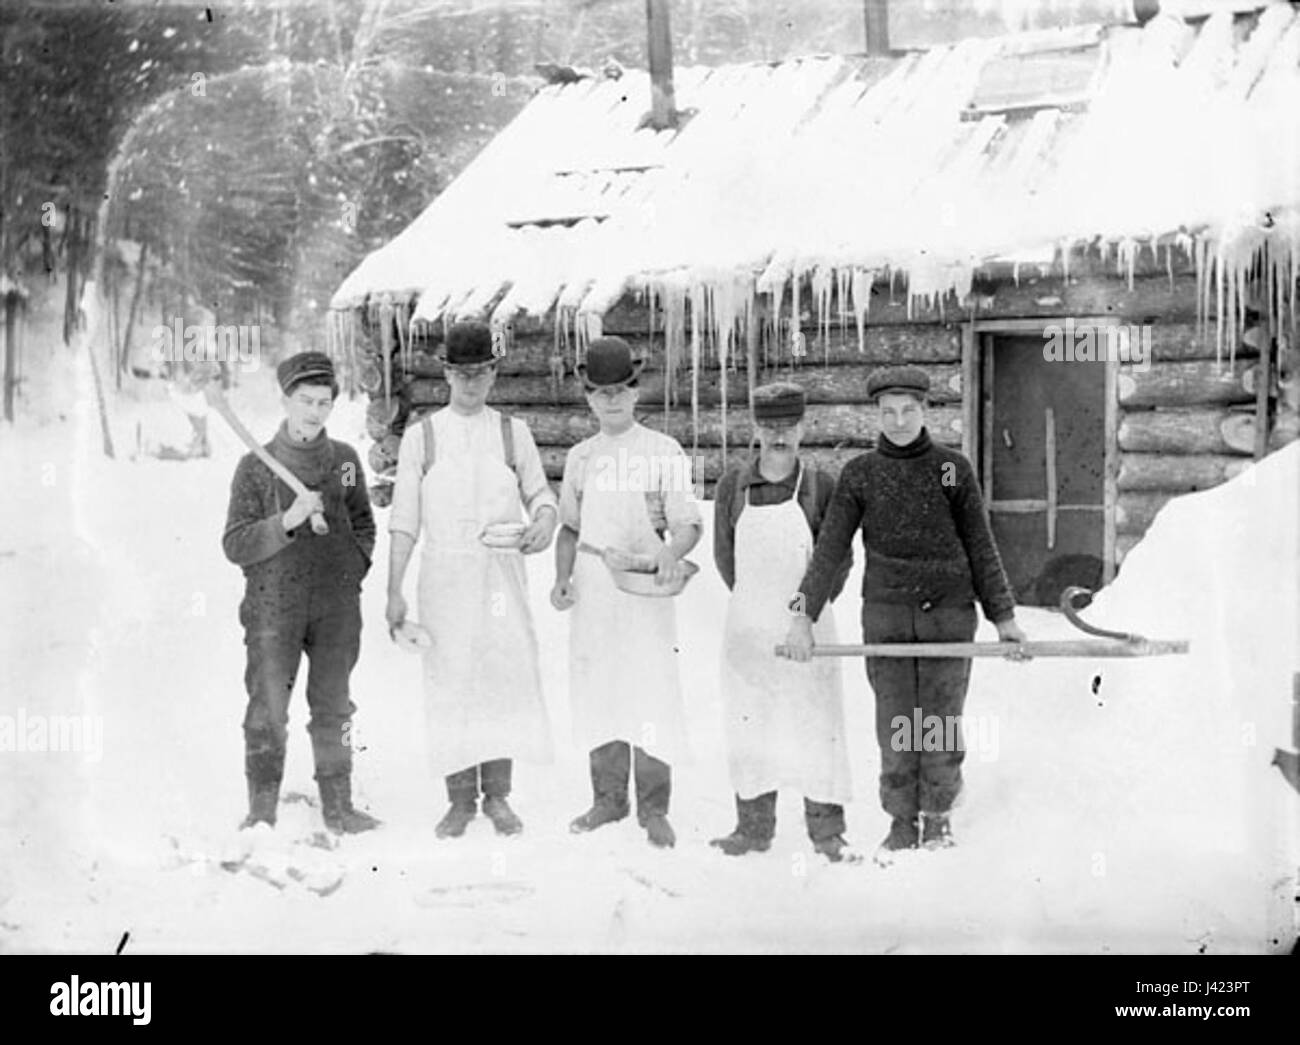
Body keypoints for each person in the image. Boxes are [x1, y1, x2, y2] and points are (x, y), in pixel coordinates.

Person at [783, 365, 1027, 857]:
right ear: (876, 414)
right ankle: (900, 819)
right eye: (888, 412)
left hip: (949, 613)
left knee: (938, 719)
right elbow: (829, 549)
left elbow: (981, 544)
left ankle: (936, 817)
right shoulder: (861, 474)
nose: (898, 421)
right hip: (888, 616)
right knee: (897, 722)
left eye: (908, 411)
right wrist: (801, 616)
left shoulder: (951, 468)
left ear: (925, 411)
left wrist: (1005, 618)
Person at [386, 321, 557, 839]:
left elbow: (540, 494)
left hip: (501, 573)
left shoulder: (512, 432)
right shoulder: (423, 437)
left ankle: (499, 797)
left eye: (481, 372)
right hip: (446, 576)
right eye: (461, 373)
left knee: (501, 679)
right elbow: (404, 520)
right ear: (446, 374)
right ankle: (459, 800)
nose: (471, 383)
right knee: (451, 680)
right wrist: (393, 589)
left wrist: (544, 524)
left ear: (494, 373)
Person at [551, 336, 702, 849]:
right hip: (595, 587)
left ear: (636, 392)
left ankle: (654, 807)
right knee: (600, 689)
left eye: (620, 390)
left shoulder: (662, 451)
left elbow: (688, 524)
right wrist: (562, 578)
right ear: (588, 397)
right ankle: (608, 799)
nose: (611, 400)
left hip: (644, 588)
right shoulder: (581, 457)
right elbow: (569, 528)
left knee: (650, 691)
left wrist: (669, 552)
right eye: (599, 392)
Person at [222, 351, 380, 834]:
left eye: (325, 403)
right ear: (286, 400)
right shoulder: (255, 467)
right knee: (268, 706)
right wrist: (286, 521)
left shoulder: (346, 463)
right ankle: (262, 810)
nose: (315, 412)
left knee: (336, 705)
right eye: (306, 401)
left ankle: (340, 806)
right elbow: (234, 543)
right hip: (274, 606)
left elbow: (362, 522)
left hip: (336, 607)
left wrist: (354, 570)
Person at [712, 383, 859, 862]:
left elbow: (837, 561)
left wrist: (808, 614)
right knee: (752, 722)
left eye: (788, 426)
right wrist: (757, 606)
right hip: (750, 629)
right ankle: (753, 829)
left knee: (816, 726)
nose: (779, 436)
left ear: (803, 428)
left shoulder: (821, 486)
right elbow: (725, 557)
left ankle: (826, 834)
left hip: (809, 629)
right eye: (769, 426)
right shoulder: (733, 486)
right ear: (755, 428)